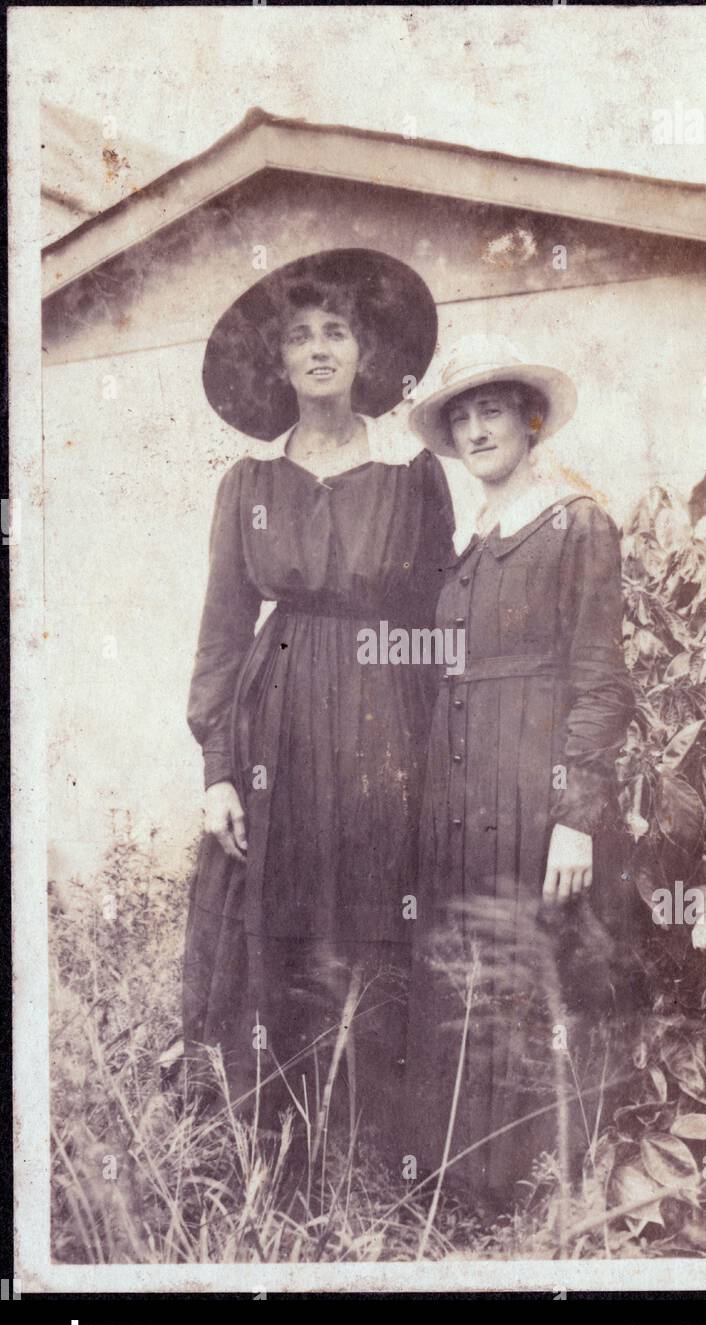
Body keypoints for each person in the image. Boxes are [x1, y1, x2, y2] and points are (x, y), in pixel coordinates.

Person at [184, 249, 453, 1165]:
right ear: (280, 364)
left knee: (385, 916)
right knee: (284, 920)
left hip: (389, 714)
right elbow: (222, 633)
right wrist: (218, 770)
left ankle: (382, 1154)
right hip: (281, 719)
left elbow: (439, 619)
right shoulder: (248, 487)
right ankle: (282, 1153)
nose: (318, 350)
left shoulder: (414, 474)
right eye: (299, 337)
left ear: (366, 349)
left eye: (335, 331)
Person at [405, 336, 635, 1211]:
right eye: (460, 417)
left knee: (531, 967)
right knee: (469, 967)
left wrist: (577, 813)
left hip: (534, 787)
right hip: (462, 790)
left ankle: (540, 1195)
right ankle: (464, 1193)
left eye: (490, 410)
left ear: (528, 421)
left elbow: (602, 678)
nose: (475, 429)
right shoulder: (473, 542)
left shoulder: (576, 521)